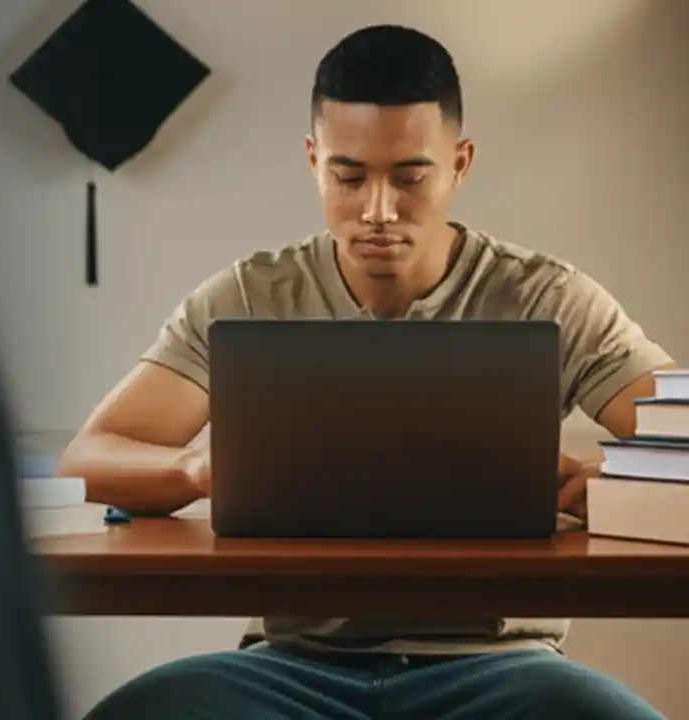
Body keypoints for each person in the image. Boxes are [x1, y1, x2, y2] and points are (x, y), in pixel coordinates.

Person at [60, 24, 672, 720]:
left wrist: (614, 482)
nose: (378, 210)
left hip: (502, 667)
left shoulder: (548, 297)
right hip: (289, 668)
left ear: (460, 163)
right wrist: (195, 473)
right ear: (313, 160)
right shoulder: (250, 296)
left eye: (410, 177)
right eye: (349, 177)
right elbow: (91, 456)